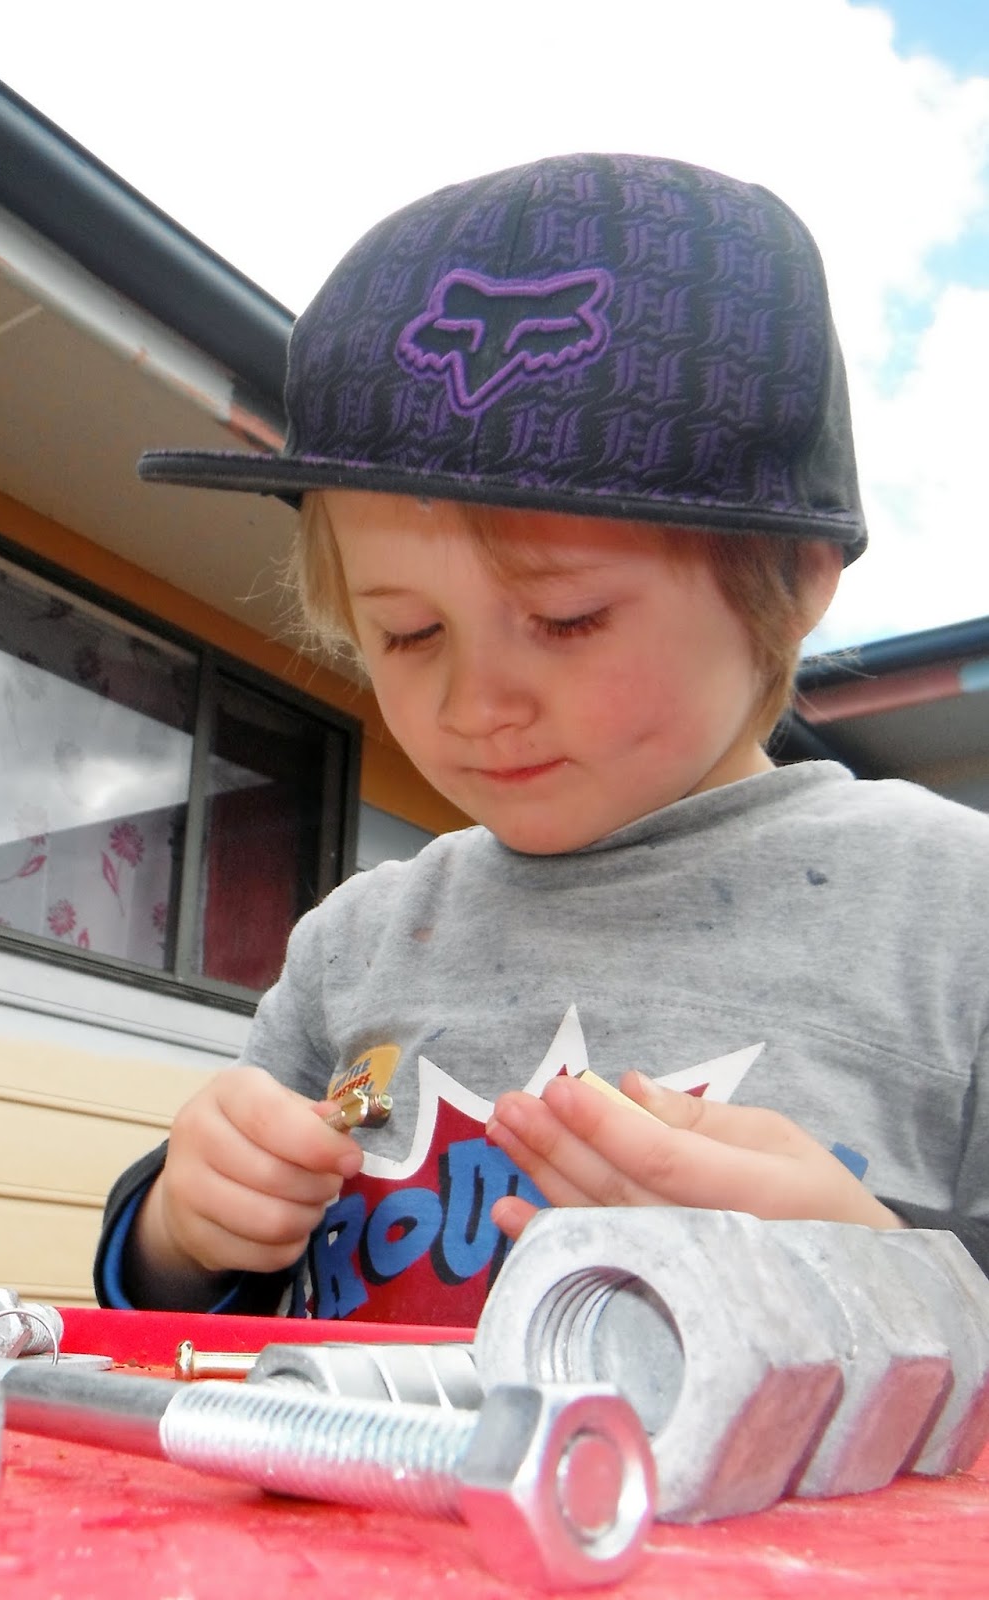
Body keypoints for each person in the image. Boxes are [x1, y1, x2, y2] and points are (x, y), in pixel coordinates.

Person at [93, 151, 989, 1323]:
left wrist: (880, 1284)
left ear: (796, 576)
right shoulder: (354, 945)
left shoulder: (952, 913)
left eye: (567, 619)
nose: (477, 705)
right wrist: (183, 1228)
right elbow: (191, 1312)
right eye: (408, 634)